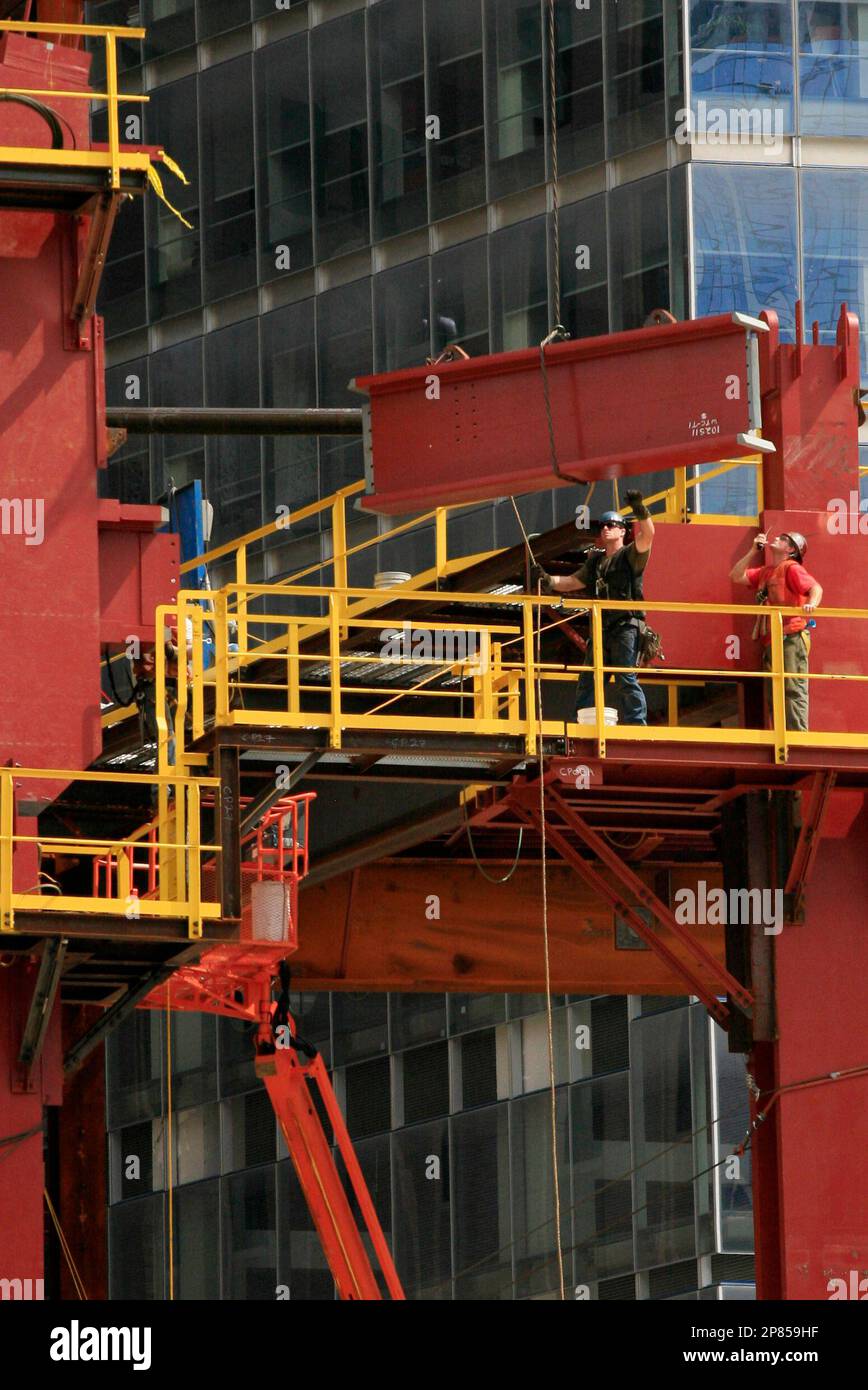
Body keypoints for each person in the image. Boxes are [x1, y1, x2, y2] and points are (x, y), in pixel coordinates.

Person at [536, 490, 655, 725]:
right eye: (603, 525)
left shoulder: (630, 556)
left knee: (625, 678)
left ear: (622, 530)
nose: (605, 529)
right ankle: (583, 721)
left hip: (625, 627)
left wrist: (639, 507)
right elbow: (571, 582)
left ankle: (636, 723)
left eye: (611, 524)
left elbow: (649, 533)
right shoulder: (596, 563)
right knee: (589, 679)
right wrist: (547, 579)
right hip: (602, 630)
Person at [730, 530, 822, 732]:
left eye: (782, 539)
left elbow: (816, 588)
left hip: (790, 636)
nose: (776, 539)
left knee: (791, 688)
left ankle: (798, 740)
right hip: (773, 640)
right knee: (775, 693)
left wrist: (811, 605)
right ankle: (782, 738)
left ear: (790, 549)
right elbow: (736, 576)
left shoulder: (791, 568)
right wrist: (753, 550)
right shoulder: (766, 572)